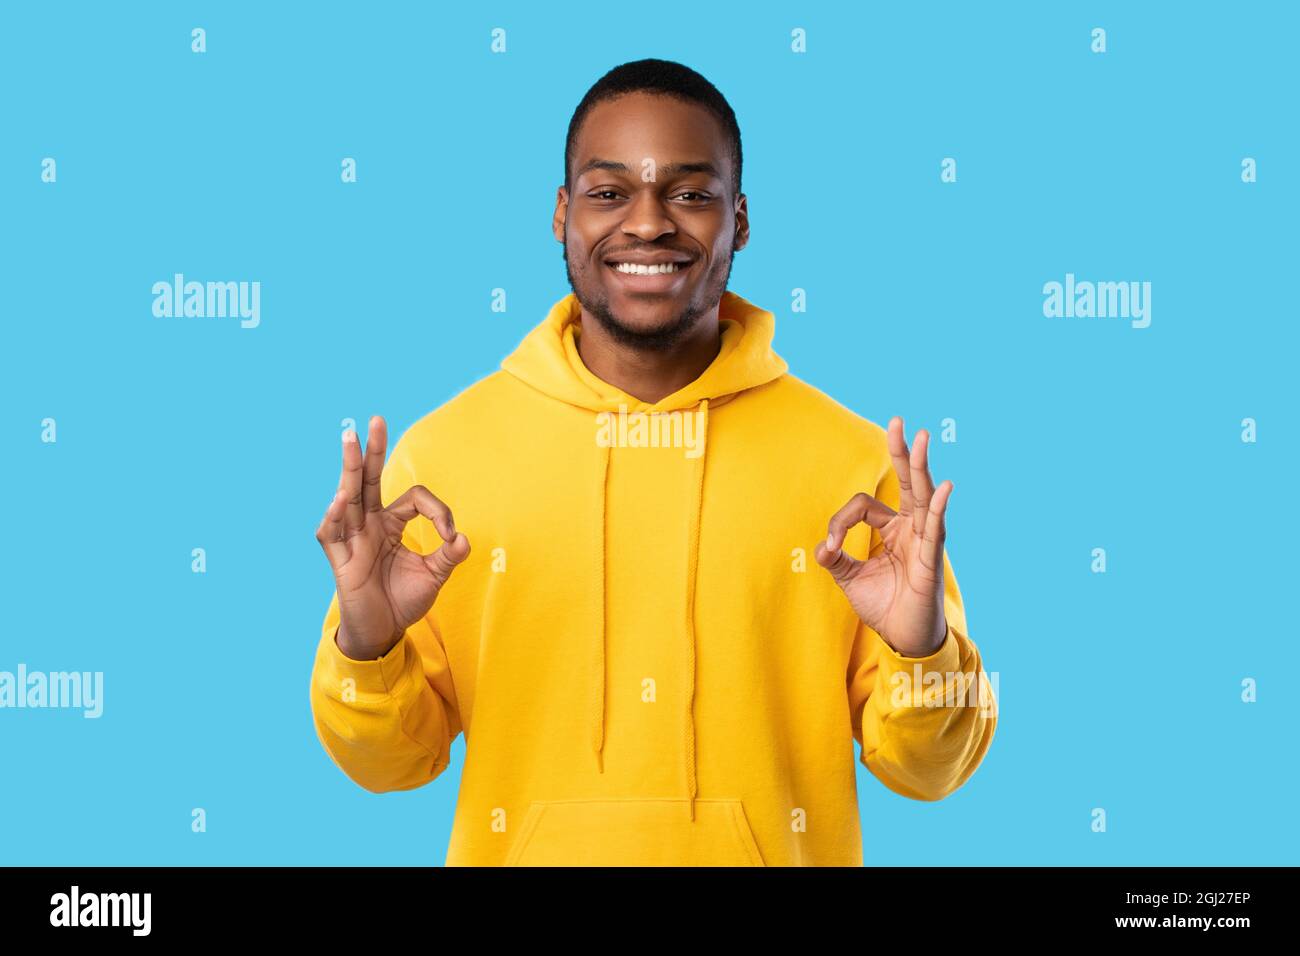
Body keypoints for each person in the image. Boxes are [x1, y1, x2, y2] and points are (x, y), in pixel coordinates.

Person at [310, 57, 997, 866]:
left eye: (690, 193)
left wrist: (924, 651)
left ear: (739, 220)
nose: (647, 224)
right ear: (562, 213)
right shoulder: (442, 462)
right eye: (609, 193)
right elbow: (388, 767)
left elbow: (930, 773)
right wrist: (367, 642)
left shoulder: (855, 468)